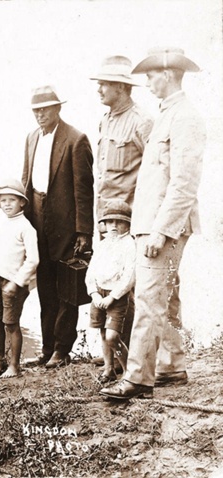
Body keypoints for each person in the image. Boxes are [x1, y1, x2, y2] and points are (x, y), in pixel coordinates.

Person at [101, 48, 205, 400]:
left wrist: (161, 231)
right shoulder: (167, 115)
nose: (146, 83)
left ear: (169, 75)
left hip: (164, 226)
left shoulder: (185, 117)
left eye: (151, 76)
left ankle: (138, 378)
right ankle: (171, 366)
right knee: (167, 296)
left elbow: (184, 183)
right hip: (153, 222)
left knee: (148, 298)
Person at [21, 85, 94, 369]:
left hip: (66, 224)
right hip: (37, 219)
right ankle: (47, 347)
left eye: (45, 109)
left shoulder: (76, 140)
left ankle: (63, 349)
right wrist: (23, 223)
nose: (40, 114)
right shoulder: (31, 139)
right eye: (36, 110)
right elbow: (26, 181)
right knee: (45, 287)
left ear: (58, 109)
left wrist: (83, 232)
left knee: (68, 288)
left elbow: (84, 190)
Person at [88, 55, 153, 366]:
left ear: (122, 87)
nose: (99, 89)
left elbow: (155, 171)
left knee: (131, 286)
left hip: (130, 219)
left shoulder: (141, 121)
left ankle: (134, 359)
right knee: (106, 279)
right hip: (106, 220)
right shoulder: (106, 119)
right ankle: (112, 356)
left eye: (104, 84)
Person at [0, 179, 39, 379]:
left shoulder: (26, 228)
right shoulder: (2, 225)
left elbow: (33, 260)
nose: (6, 204)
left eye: (11, 200)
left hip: (13, 283)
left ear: (22, 202)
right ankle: (0, 361)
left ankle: (14, 366)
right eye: (3, 200)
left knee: (11, 324)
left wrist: (17, 282)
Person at [85, 199, 135, 384]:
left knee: (113, 336)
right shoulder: (103, 244)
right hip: (100, 294)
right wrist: (94, 293)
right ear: (104, 224)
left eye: (119, 221)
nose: (114, 225)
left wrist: (112, 297)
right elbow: (91, 272)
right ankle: (109, 368)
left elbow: (129, 277)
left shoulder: (129, 244)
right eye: (110, 221)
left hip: (117, 297)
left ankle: (129, 371)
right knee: (103, 333)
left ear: (127, 224)